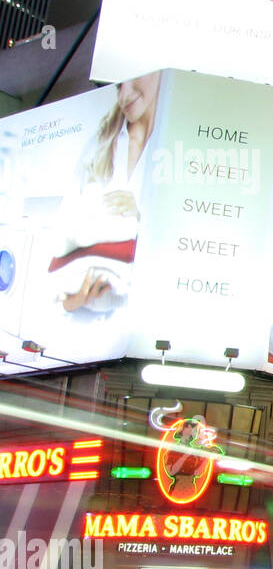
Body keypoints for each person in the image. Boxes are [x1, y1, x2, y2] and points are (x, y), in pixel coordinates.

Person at [44, 71, 162, 359]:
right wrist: (72, 301)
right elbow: (61, 240)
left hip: (147, 335)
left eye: (135, 79)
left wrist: (141, 215)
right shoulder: (100, 145)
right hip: (88, 337)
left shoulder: (179, 143)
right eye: (119, 85)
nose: (125, 94)